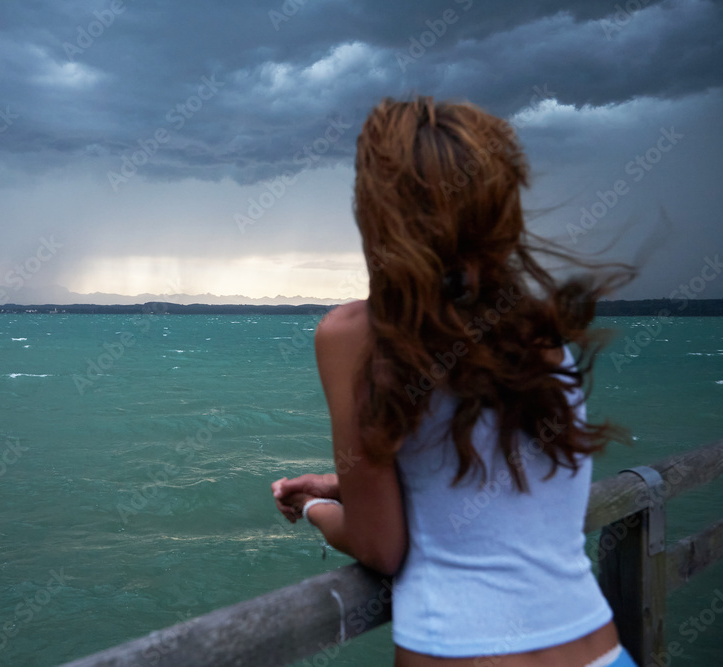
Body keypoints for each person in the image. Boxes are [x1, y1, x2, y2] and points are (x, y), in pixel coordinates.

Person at [271, 97, 638, 667]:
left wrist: (316, 513)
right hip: (599, 651)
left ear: (375, 215)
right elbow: (488, 497)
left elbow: (380, 547)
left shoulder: (352, 336)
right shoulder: (538, 335)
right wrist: (337, 483)